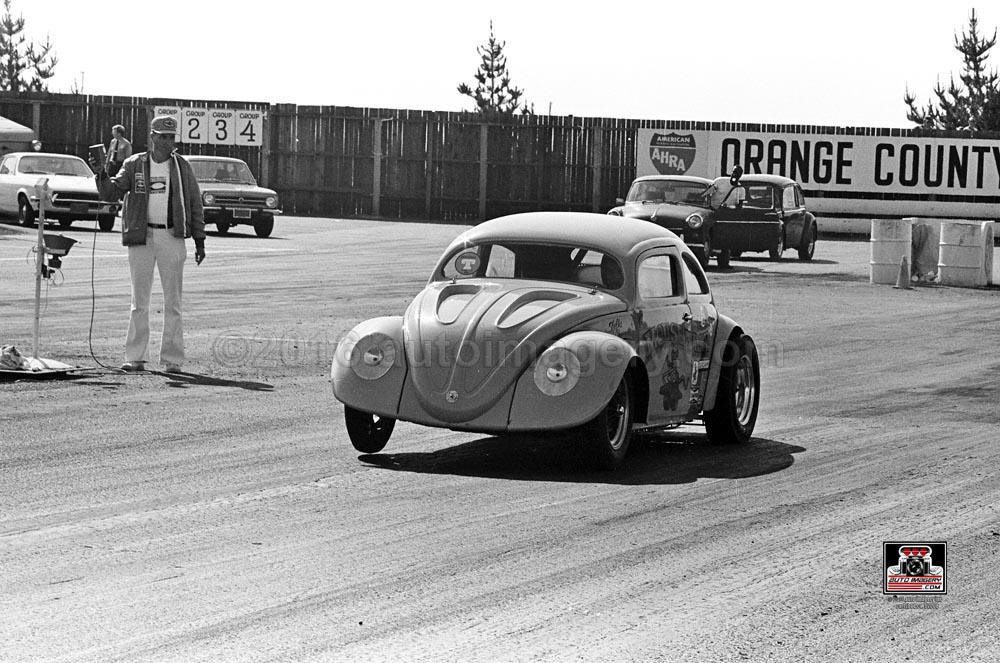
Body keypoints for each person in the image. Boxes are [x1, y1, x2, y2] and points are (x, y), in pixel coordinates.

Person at [96, 115, 206, 373]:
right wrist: (101, 173)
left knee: (173, 301)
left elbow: (194, 203)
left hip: (172, 235)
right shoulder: (135, 163)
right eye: (162, 136)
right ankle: (135, 357)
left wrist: (199, 239)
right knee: (139, 300)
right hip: (142, 236)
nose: (167, 141)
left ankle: (172, 359)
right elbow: (113, 192)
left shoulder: (181, 166)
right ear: (152, 137)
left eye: (171, 137)